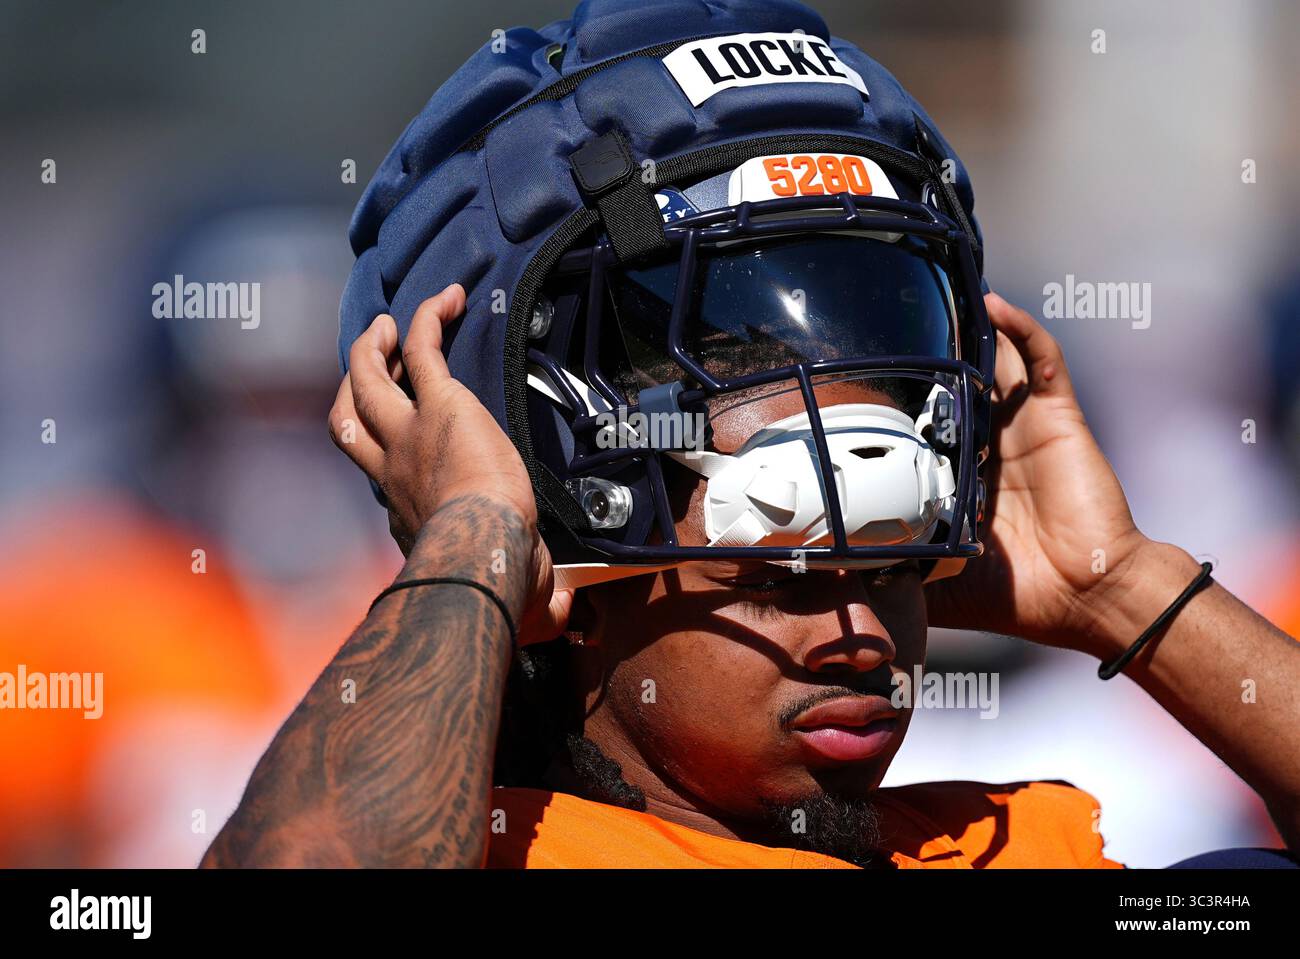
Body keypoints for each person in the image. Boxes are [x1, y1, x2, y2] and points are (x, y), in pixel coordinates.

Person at [201, 0, 1299, 868]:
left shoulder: (1023, 846)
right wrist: (478, 534)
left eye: (894, 556)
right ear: (564, 539)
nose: (862, 636)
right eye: (784, 569)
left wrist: (1124, 588)